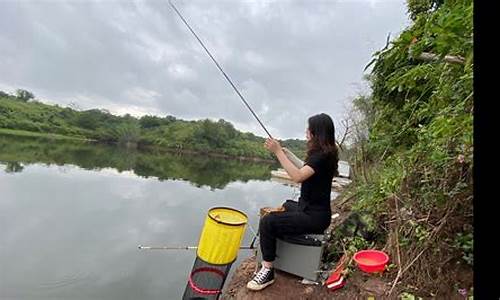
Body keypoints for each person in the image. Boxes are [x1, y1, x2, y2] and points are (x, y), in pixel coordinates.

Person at [246, 113, 339, 291]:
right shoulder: (326, 153)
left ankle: (268, 270)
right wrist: (286, 153)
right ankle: (273, 243)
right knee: (288, 204)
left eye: (308, 129)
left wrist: (278, 152)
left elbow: (297, 176)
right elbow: (305, 167)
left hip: (314, 217)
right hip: (313, 211)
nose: (306, 132)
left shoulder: (321, 156)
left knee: (268, 222)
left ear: (315, 133)